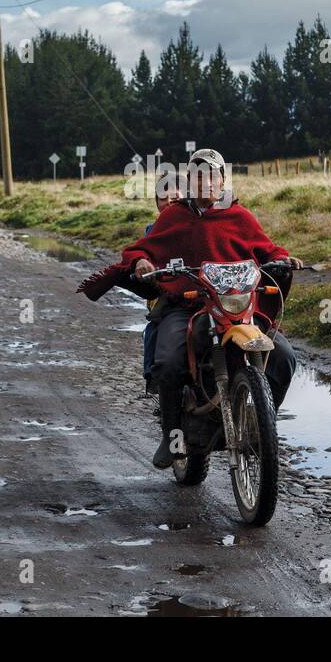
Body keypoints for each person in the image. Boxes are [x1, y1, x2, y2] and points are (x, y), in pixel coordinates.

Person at [123, 148, 302, 469]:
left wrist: (284, 259)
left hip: (236, 307)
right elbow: (140, 249)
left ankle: (261, 424)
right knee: (168, 359)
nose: (204, 182)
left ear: (222, 181)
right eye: (196, 176)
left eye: (211, 176)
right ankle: (172, 435)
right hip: (188, 304)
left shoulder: (240, 216)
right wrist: (140, 261)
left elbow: (268, 248)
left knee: (284, 357)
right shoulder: (174, 216)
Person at [142, 179, 183, 394]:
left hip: (197, 287)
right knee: (156, 325)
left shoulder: (196, 222)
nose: (168, 203)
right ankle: (152, 375)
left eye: (175, 198)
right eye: (163, 199)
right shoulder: (153, 230)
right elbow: (144, 252)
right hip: (164, 290)